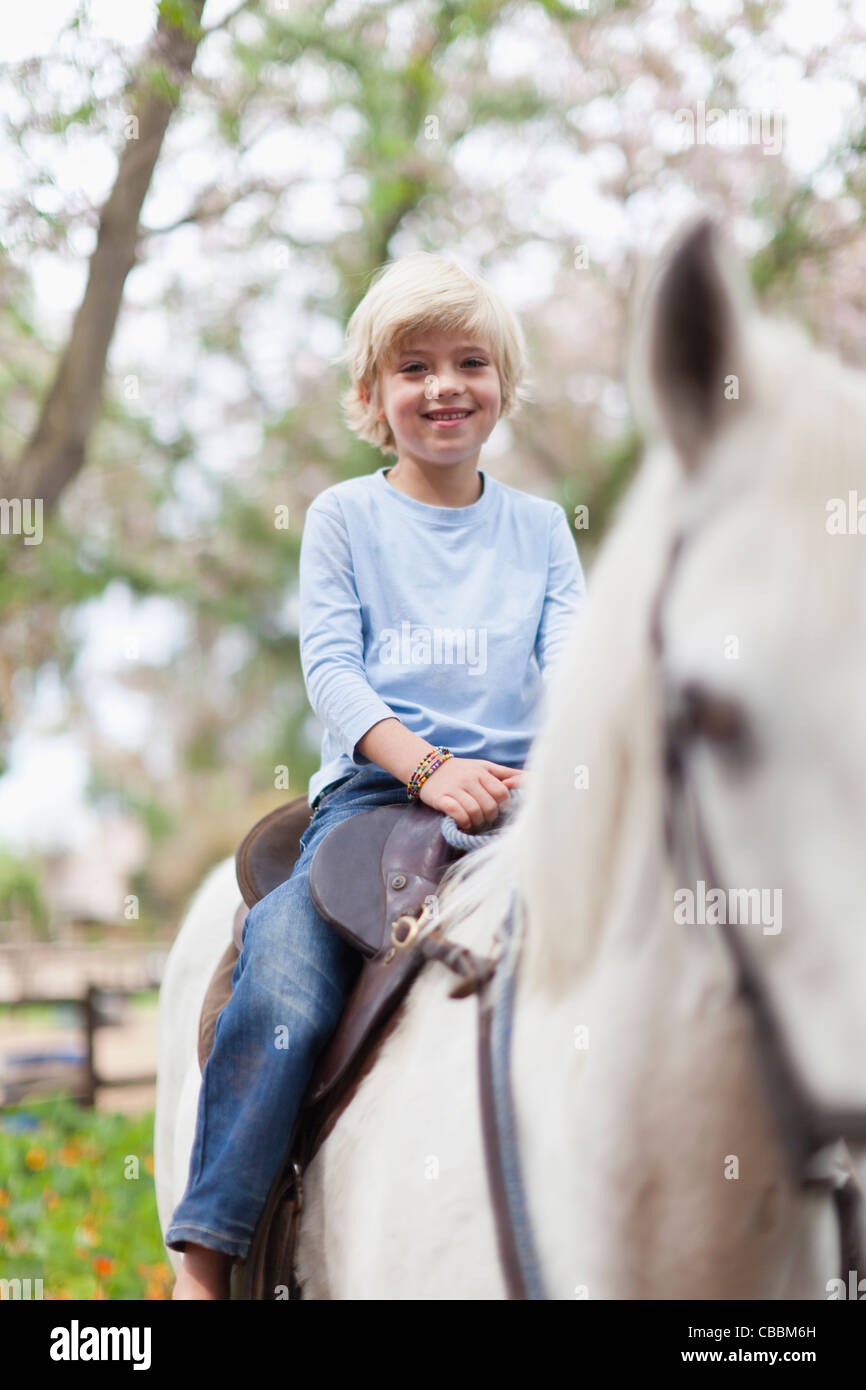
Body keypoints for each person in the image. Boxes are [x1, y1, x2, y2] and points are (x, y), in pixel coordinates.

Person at [166, 251, 586, 1297]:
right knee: (286, 983)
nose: (443, 385)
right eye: (412, 367)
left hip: (524, 794)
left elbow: (577, 669)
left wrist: (548, 771)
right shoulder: (345, 519)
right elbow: (332, 672)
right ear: (370, 396)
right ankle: (210, 1257)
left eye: (468, 362)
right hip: (378, 792)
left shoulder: (538, 531)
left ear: (503, 387)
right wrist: (428, 766)